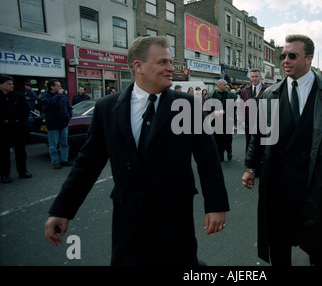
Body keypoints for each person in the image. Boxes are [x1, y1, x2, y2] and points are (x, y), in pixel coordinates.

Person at [44, 36, 229, 266]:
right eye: (163, 62)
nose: (171, 68)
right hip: (129, 219)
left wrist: (216, 206)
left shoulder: (189, 105)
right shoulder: (107, 108)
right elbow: (87, 164)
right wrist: (62, 209)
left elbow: (208, 160)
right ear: (138, 66)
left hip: (174, 217)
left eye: (170, 62)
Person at [242, 34, 322, 266]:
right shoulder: (270, 94)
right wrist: (250, 166)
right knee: (278, 244)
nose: (285, 60)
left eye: (292, 55)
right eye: (283, 56)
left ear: (308, 58)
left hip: (317, 183)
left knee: (317, 246)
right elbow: (259, 136)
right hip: (278, 186)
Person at [0, 75, 32, 183]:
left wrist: (20, 120)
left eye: (12, 84)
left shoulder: (17, 97)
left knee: (21, 151)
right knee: (4, 153)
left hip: (17, 128)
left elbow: (26, 110)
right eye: (8, 84)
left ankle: (22, 171)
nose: (11, 86)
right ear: (1, 85)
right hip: (3, 130)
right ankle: (5, 174)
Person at [40, 80, 73, 169]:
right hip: (53, 124)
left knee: (64, 144)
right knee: (53, 145)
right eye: (58, 86)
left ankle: (64, 160)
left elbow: (69, 107)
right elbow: (52, 103)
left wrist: (68, 116)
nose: (60, 87)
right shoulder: (45, 97)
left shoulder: (63, 96)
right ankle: (55, 162)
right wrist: (58, 95)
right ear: (52, 87)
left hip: (63, 124)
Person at [238, 69, 270, 153]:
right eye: (252, 77)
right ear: (250, 78)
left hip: (263, 123)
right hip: (248, 123)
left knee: (262, 145)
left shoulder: (268, 89)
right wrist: (241, 121)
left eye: (256, 76)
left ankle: (262, 164)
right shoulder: (245, 90)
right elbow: (240, 108)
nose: (254, 78)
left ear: (260, 77)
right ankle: (249, 164)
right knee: (249, 145)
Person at [206, 79, 237, 162]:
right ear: (219, 85)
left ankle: (229, 151)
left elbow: (235, 107)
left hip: (227, 120)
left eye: (226, 84)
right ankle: (220, 154)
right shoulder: (211, 96)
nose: (226, 86)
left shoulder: (231, 95)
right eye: (224, 85)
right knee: (217, 139)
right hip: (215, 121)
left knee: (228, 138)